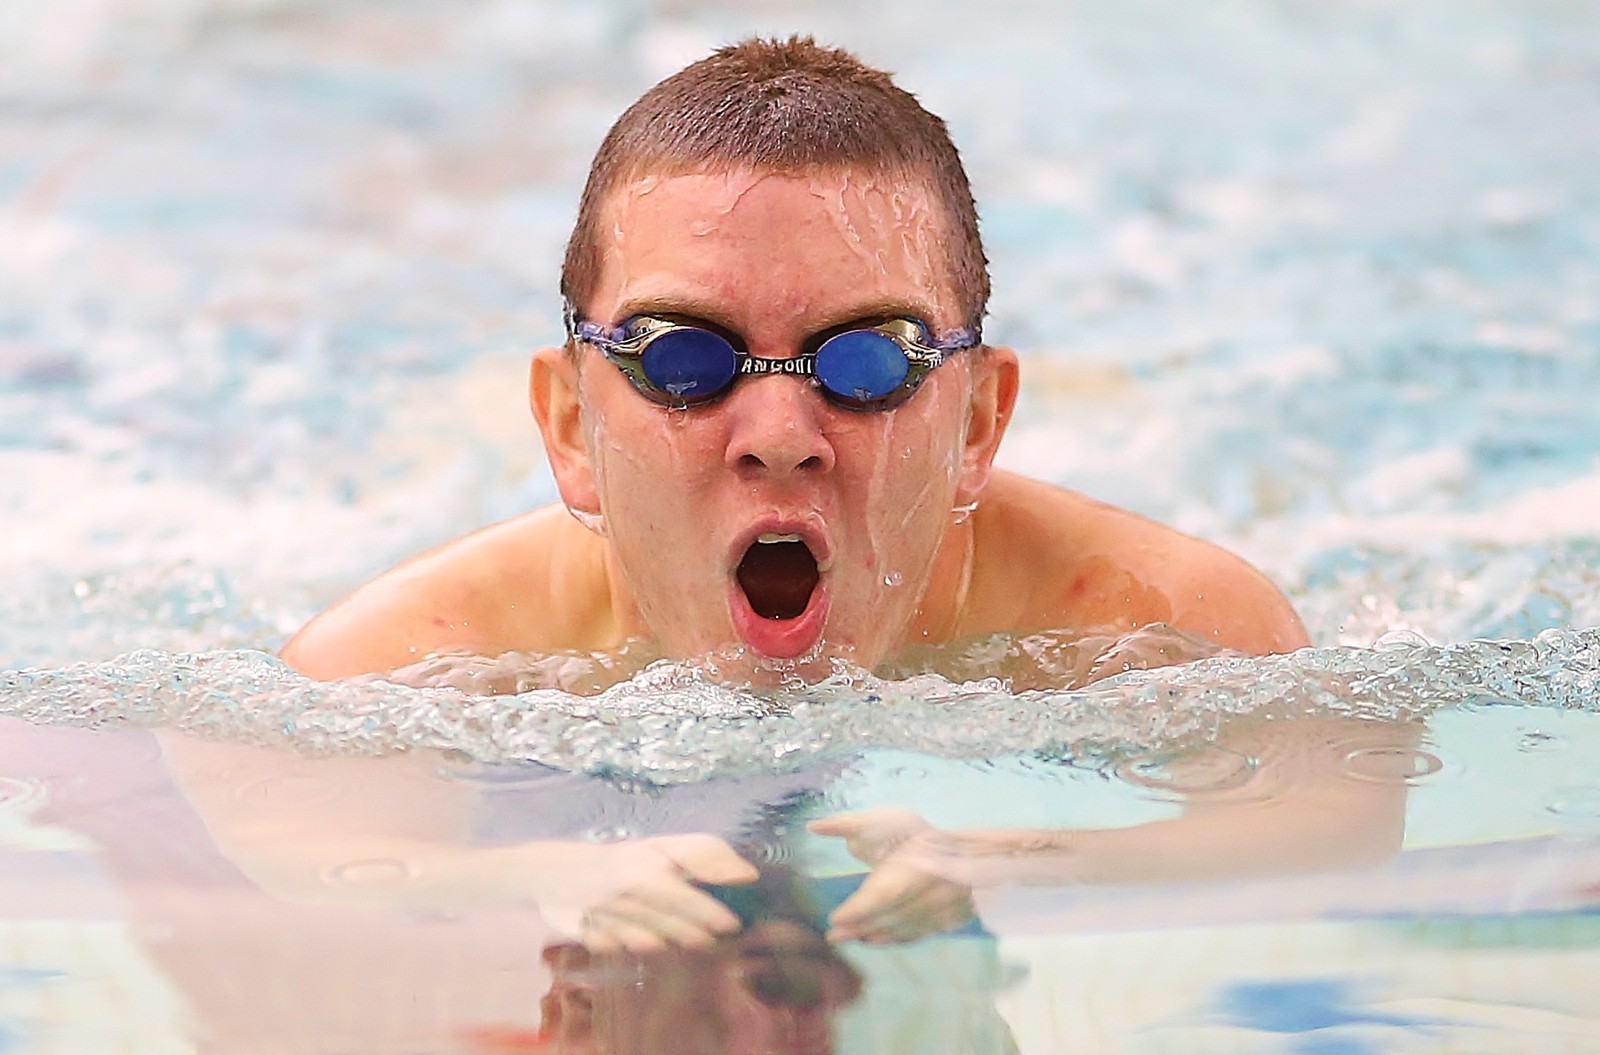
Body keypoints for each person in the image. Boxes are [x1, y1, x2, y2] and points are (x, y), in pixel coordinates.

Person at [281, 36, 1308, 688]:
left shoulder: (1177, 637)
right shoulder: (396, 671)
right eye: (682, 359)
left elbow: (1308, 845)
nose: (779, 439)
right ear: (566, 428)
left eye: (869, 361)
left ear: (979, 427)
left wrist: (1028, 859)